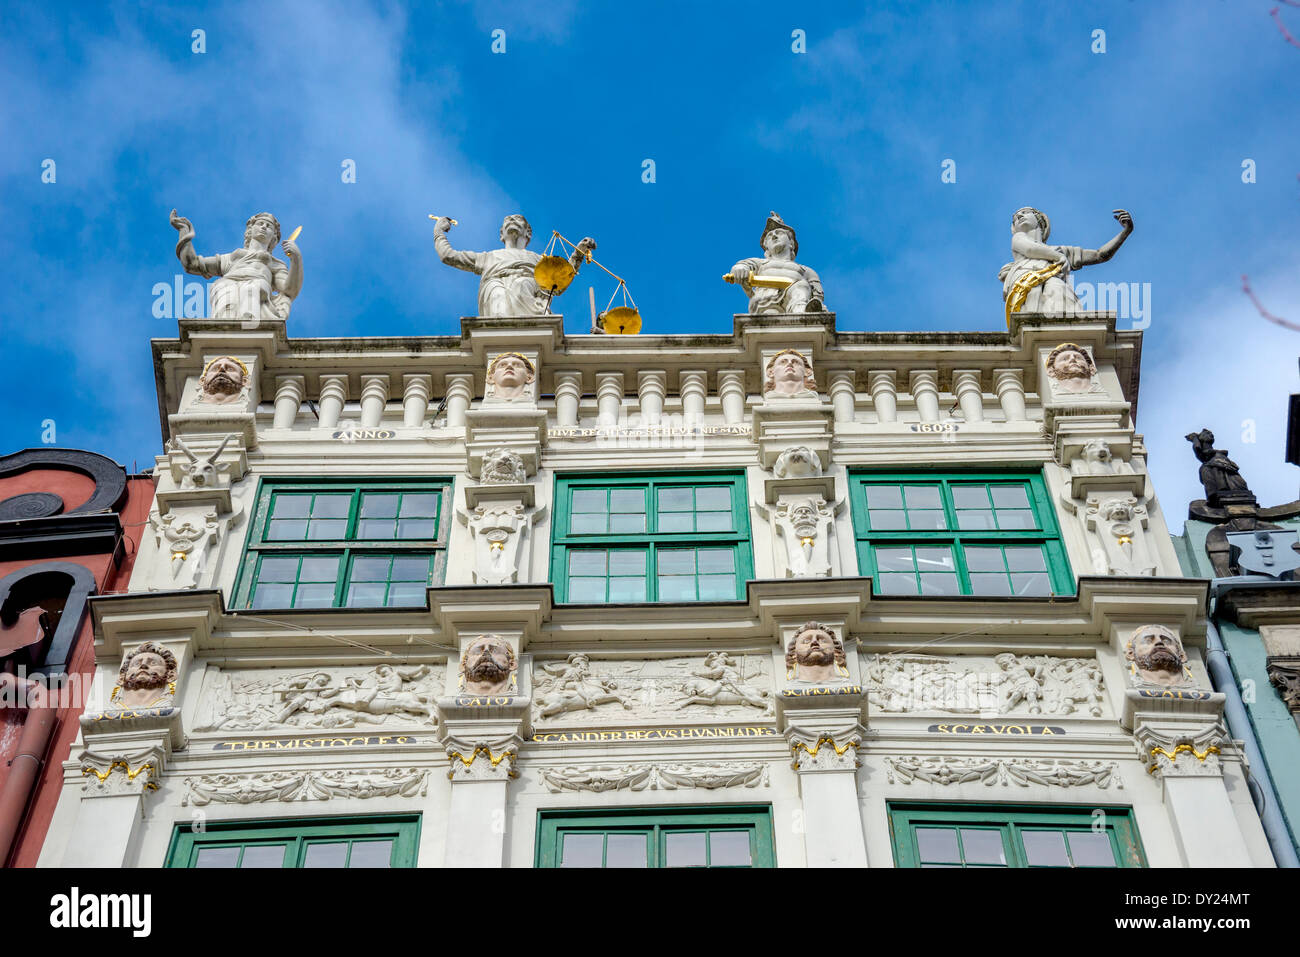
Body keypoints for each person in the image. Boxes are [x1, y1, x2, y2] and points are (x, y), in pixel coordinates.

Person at [999, 207, 1132, 320]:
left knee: (1060, 293)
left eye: (1026, 212)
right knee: (1034, 310)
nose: (1020, 216)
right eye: (1016, 217)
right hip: (1025, 284)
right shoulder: (1019, 239)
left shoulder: (1059, 251)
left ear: (1040, 220)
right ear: (1014, 227)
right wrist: (1058, 257)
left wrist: (1126, 231)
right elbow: (1029, 249)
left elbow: (1100, 254)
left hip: (1053, 283)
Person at [170, 210, 302, 321]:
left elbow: (288, 290)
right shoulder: (231, 258)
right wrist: (184, 232)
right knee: (225, 288)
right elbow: (192, 264)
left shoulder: (274, 264)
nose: (264, 227)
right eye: (260, 223)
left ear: (274, 237)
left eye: (269, 226)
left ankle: (250, 332)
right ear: (250, 230)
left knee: (253, 287)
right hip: (227, 287)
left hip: (256, 288)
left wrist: (296, 259)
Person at [728, 212, 825, 314]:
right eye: (770, 236)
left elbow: (817, 295)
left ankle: (803, 312)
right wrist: (740, 269)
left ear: (791, 243)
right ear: (767, 248)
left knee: (801, 286)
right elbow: (744, 265)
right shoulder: (760, 263)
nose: (774, 236)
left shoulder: (806, 271)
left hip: (797, 297)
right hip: (766, 301)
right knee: (770, 315)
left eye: (779, 233)